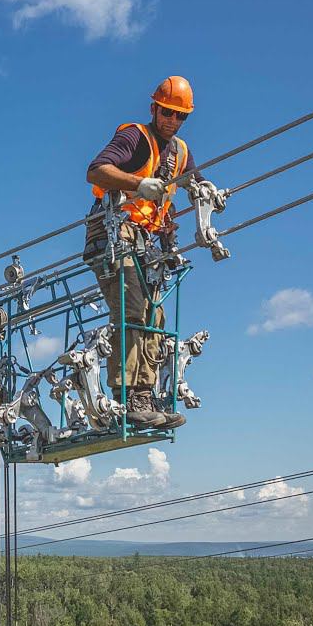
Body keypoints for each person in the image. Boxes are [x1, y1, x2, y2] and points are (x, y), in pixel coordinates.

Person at [82, 76, 196, 430]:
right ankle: (129, 397)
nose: (172, 121)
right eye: (167, 113)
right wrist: (137, 183)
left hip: (147, 244)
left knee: (155, 317)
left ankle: (146, 395)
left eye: (180, 117)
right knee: (132, 308)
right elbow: (96, 170)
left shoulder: (180, 154)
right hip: (112, 234)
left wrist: (208, 201)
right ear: (154, 109)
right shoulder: (135, 137)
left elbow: (193, 187)